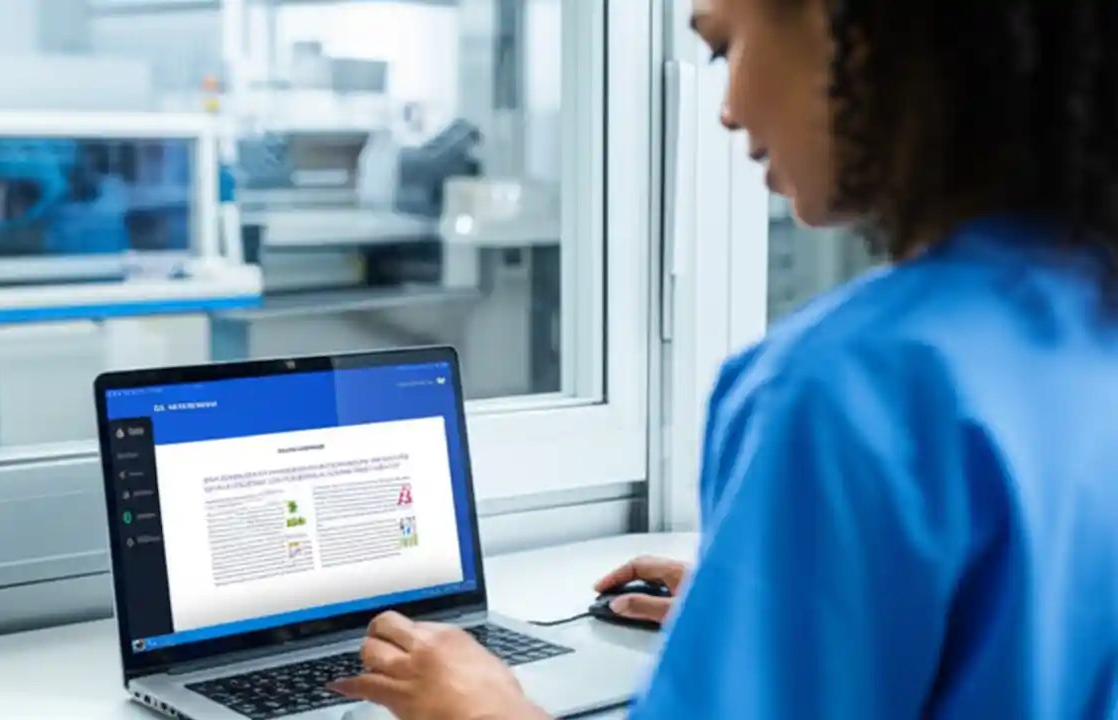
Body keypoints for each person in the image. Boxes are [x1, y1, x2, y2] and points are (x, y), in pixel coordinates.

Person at [330, 0, 1118, 716]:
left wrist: (482, 709)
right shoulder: (1087, 317)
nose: (729, 108)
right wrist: (768, 613)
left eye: (724, 47)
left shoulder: (846, 385)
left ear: (851, 29)